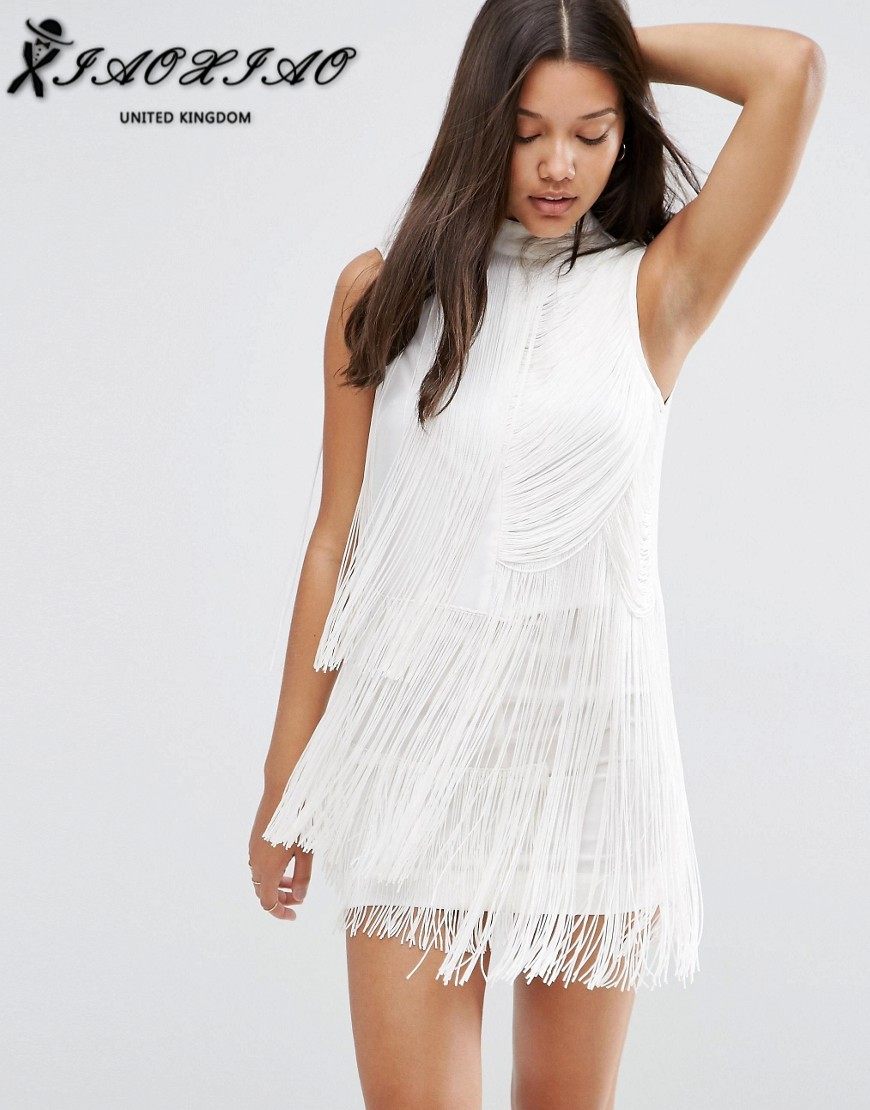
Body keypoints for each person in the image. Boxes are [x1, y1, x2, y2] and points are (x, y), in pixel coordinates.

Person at [248, 3, 825, 1106]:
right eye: (526, 131)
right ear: (481, 122)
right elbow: (336, 541)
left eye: (592, 131)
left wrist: (592, 34)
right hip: (415, 751)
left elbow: (790, 70)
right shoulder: (381, 295)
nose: (560, 165)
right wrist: (287, 777)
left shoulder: (659, 286)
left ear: (624, 130)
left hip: (592, 757)